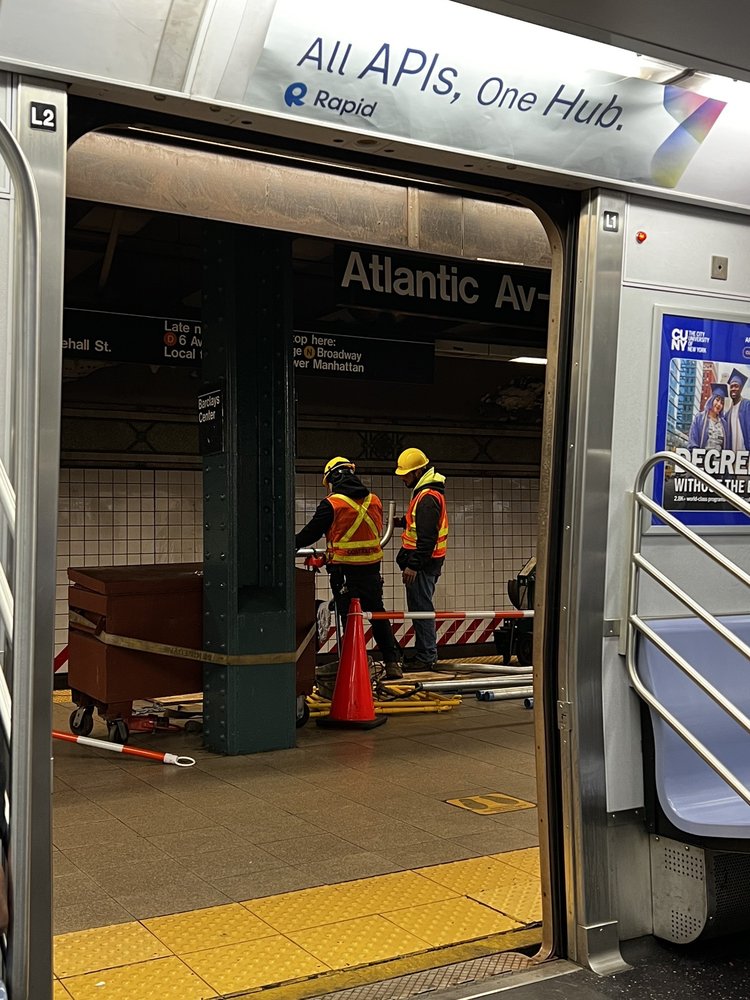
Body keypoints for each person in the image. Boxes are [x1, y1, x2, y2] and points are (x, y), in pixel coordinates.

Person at [295, 456, 403, 680]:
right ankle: (393, 662)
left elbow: (310, 534)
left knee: (349, 618)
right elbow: (363, 535)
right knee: (378, 614)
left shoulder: (332, 504)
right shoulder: (374, 500)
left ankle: (355, 665)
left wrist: (287, 543)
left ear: (332, 478)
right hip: (371, 569)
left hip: (344, 572)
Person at [394, 448, 449, 671]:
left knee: (421, 608)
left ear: (418, 472)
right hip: (426, 563)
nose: (403, 478)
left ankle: (426, 656)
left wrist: (413, 566)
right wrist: (402, 522)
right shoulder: (426, 494)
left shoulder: (427, 498)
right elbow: (421, 528)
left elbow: (427, 538)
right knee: (420, 607)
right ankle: (424, 654)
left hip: (422, 565)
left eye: (406, 474)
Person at [687, 383, 729, 450]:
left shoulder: (724, 424)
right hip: (702, 458)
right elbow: (693, 441)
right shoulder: (699, 418)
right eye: (717, 400)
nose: (719, 404)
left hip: (719, 459)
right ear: (712, 400)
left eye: (722, 403)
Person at [726, 368, 750, 451]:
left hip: (746, 453)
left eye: (736, 386)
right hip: (732, 457)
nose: (733, 389)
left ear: (741, 389)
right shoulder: (728, 414)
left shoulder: (747, 405)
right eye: (731, 387)